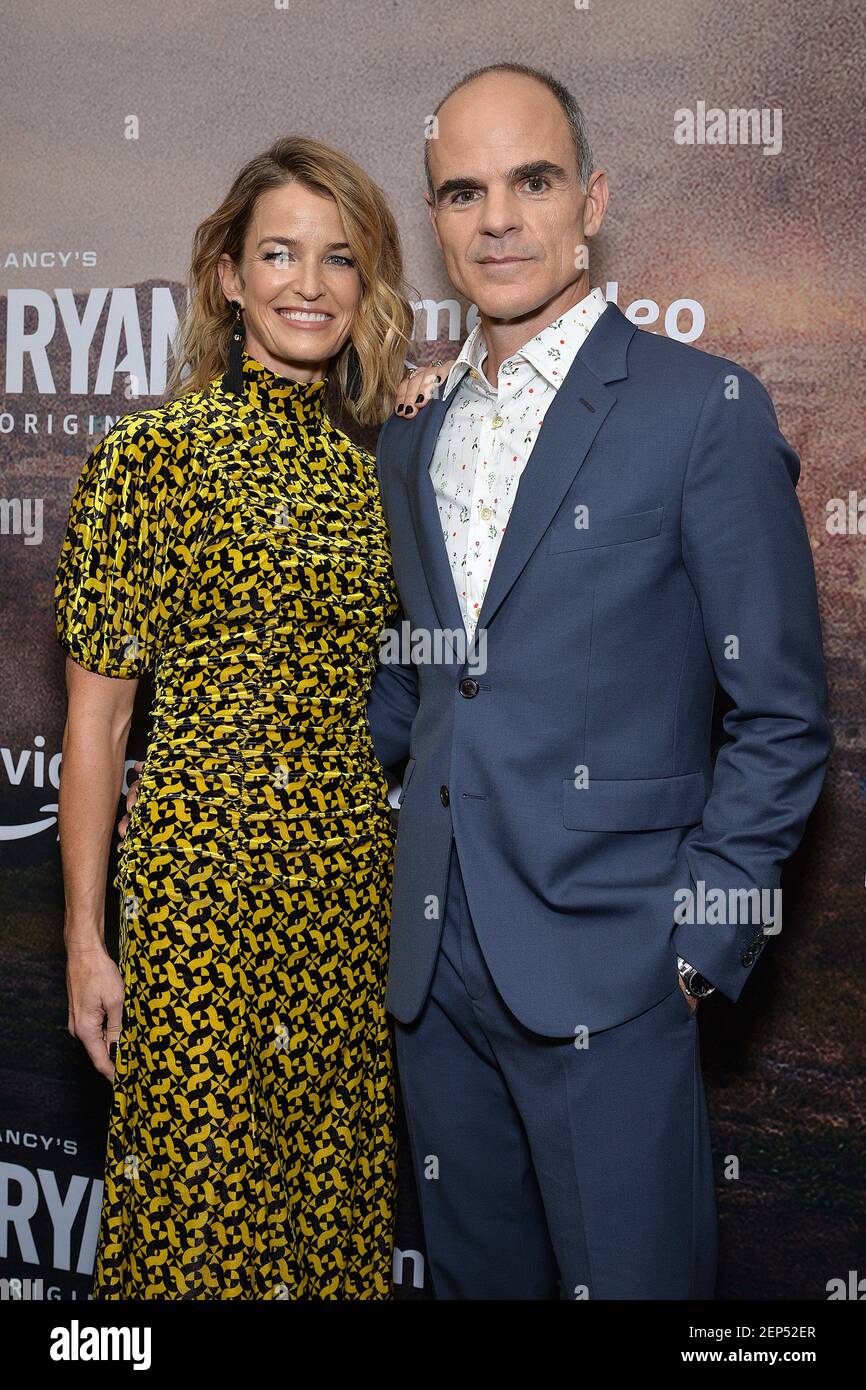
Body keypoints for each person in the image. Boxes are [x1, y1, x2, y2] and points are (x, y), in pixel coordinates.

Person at [365, 62, 832, 1299]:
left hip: (612, 970)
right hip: (431, 974)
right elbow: (413, 699)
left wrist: (694, 947)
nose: (498, 218)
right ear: (434, 220)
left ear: (592, 201)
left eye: (533, 180)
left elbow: (782, 715)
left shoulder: (698, 410)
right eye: (462, 191)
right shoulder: (412, 432)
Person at [55, 134, 449, 1300]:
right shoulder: (147, 458)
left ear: (367, 284)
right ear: (227, 275)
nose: (307, 285)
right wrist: (86, 940)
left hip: (342, 880)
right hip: (197, 885)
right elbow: (98, 729)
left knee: (327, 1207)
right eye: (277, 253)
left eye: (337, 260)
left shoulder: (379, 466)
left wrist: (430, 412)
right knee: (196, 1212)